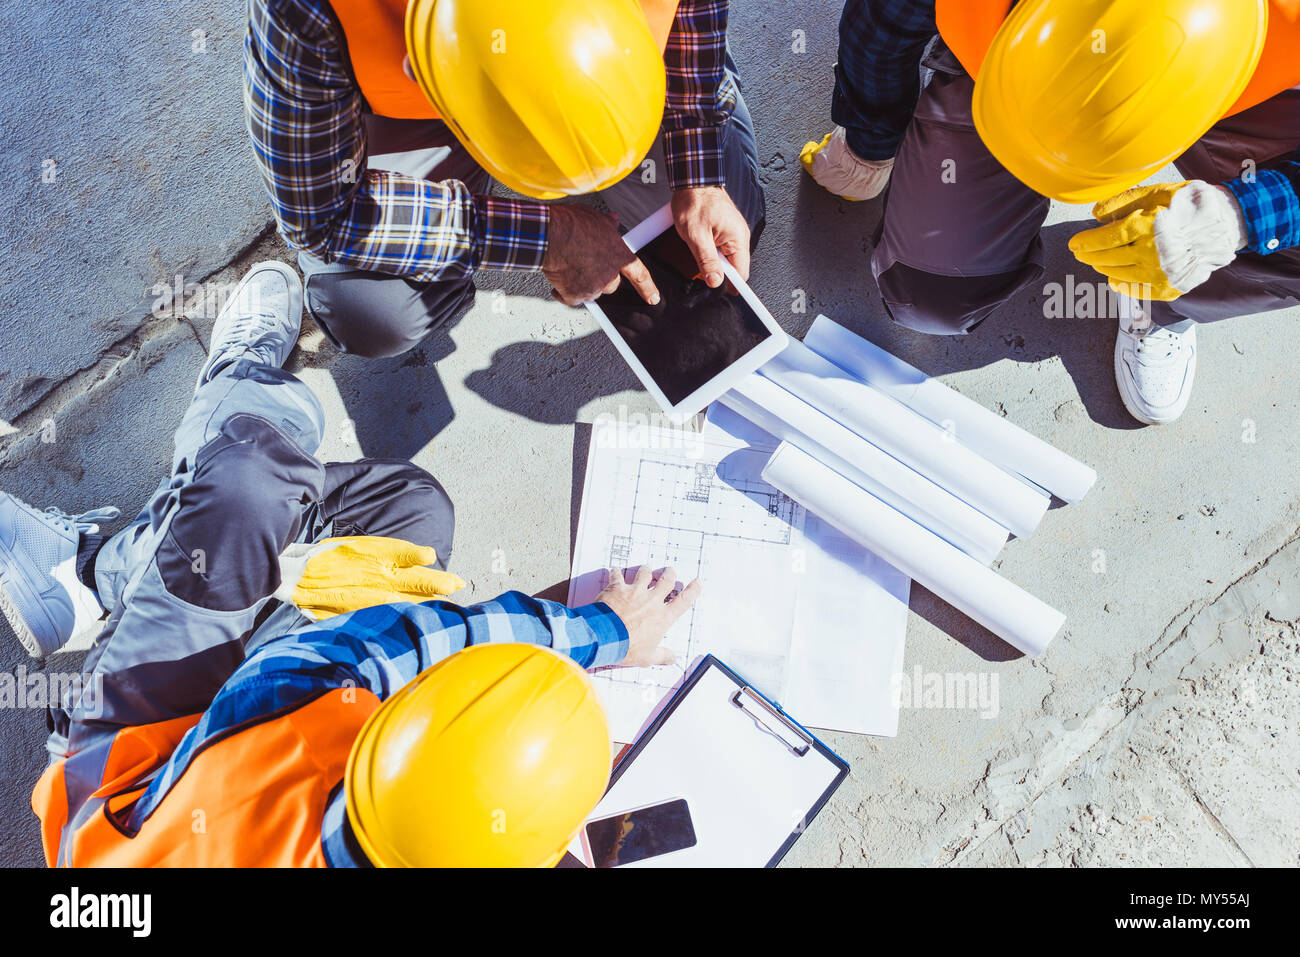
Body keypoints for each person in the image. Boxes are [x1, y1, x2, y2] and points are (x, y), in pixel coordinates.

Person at [0, 262, 698, 866]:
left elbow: (410, 641)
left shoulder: (291, 722)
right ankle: (119, 576)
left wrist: (606, 630)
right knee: (414, 516)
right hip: (230, 760)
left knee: (250, 471)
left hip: (120, 780)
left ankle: (91, 575)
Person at [801, 0, 1300, 425]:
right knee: (933, 289)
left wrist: (1238, 217)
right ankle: (1001, 81)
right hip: (1019, 59)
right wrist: (870, 143)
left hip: (1266, 84)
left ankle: (1165, 301)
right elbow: (883, 22)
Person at [244, 0, 766, 359]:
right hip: (411, 109)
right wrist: (548, 237)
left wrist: (697, 168)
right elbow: (321, 214)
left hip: (609, 55)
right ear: (416, 64)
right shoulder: (305, 12)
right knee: (372, 305)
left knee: (723, 224)